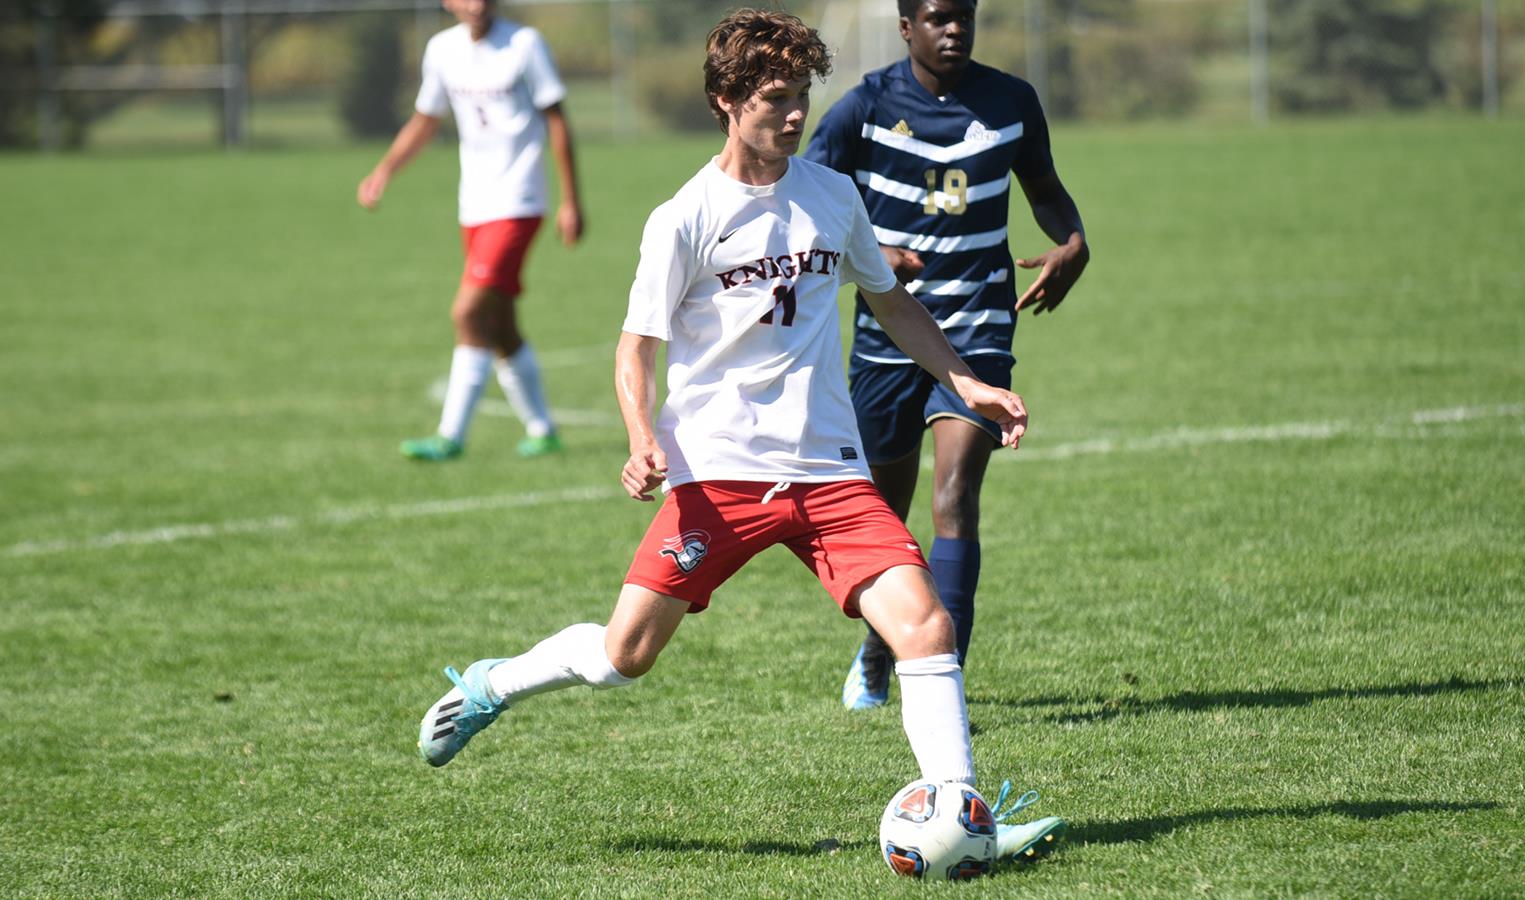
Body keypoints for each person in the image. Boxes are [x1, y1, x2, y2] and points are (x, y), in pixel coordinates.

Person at [414, 8, 1066, 866]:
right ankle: (495, 682)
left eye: (801, 96)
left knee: (926, 627)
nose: (794, 115)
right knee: (625, 655)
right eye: (773, 99)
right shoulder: (684, 216)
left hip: (831, 474)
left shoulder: (833, 196)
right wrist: (643, 437)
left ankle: (964, 815)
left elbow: (891, 302)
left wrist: (967, 381)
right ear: (725, 101)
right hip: (717, 476)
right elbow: (634, 346)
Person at [803, 0, 1090, 709]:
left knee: (955, 496)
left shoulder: (1012, 101)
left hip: (980, 329)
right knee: (885, 516)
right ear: (906, 28)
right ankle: (878, 648)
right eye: (937, 17)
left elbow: (1047, 192)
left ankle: (943, 681)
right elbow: (805, 199)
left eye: (963, 15)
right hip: (888, 338)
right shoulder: (864, 108)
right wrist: (874, 252)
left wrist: (1074, 241)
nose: (953, 28)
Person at [358, 0, 583, 461]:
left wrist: (570, 200)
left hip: (520, 200)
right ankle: (542, 429)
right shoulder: (441, 49)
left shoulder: (524, 44)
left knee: (467, 312)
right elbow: (426, 118)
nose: (476, 4)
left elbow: (557, 120)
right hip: (473, 205)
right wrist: (384, 171)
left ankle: (450, 436)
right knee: (498, 322)